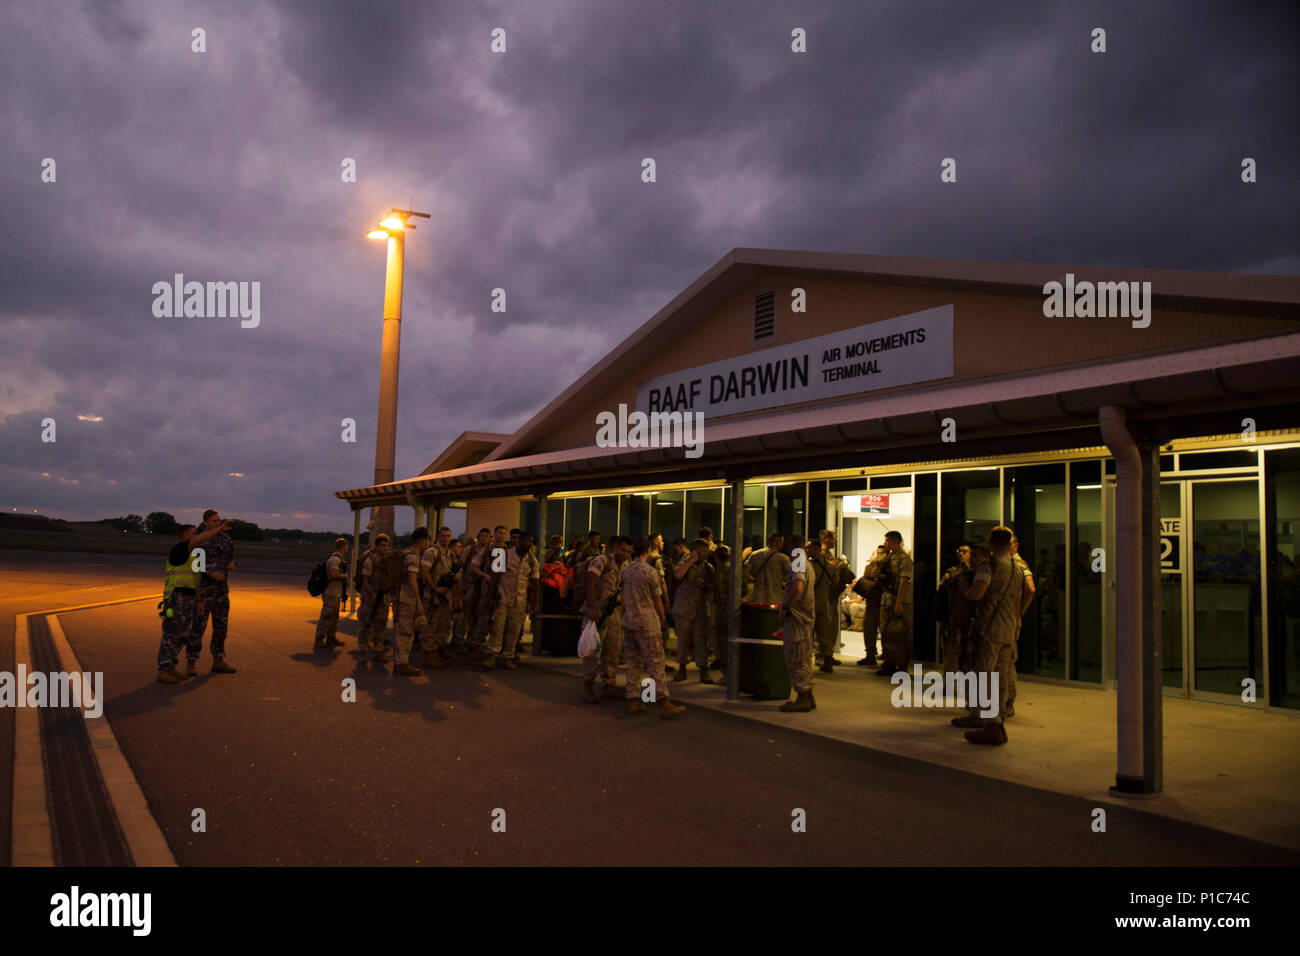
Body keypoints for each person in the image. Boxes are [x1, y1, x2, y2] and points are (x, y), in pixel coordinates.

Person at [953, 526, 1023, 745]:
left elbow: (977, 593)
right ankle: (998, 720)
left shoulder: (990, 565)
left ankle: (988, 723)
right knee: (1001, 675)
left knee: (984, 674)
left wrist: (965, 589)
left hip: (988, 628)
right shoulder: (1017, 567)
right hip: (1008, 627)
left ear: (992, 542)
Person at [156, 519, 232, 683]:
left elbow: (197, 579)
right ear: (185, 535)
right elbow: (199, 540)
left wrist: (199, 601)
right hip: (177, 598)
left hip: (189, 598)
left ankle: (170, 667)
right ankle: (164, 669)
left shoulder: (193, 555)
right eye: (194, 534)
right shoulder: (181, 548)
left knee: (183, 635)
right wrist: (218, 529)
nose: (197, 537)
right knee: (172, 634)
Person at [621, 537, 685, 718]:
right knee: (655, 662)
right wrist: (663, 617)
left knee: (633, 662)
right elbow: (657, 599)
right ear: (648, 550)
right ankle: (664, 702)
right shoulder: (649, 571)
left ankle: (632, 699)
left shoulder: (626, 571)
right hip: (647, 621)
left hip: (629, 620)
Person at [580, 535, 630, 702]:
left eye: (629, 551)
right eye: (623, 550)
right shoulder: (602, 560)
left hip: (614, 613)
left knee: (613, 650)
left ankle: (609, 685)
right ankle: (588, 687)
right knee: (592, 651)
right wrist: (593, 606)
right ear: (615, 547)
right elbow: (591, 582)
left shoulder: (625, 565)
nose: (625, 554)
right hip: (598, 612)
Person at [483, 531, 539, 670]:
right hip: (502, 598)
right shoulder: (503, 554)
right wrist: (490, 597)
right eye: (527, 541)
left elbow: (535, 582)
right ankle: (491, 656)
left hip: (520, 601)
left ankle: (508, 657)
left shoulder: (532, 560)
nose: (529, 544)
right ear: (519, 541)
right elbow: (494, 576)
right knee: (497, 628)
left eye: (531, 542)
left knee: (514, 630)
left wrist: (535, 603)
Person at [191, 508, 237, 674]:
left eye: (219, 520)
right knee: (197, 628)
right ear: (206, 523)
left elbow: (232, 558)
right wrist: (211, 574)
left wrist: (231, 566)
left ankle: (218, 659)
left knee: (221, 628)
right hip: (204, 592)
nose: (218, 523)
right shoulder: (199, 541)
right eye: (214, 521)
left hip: (222, 592)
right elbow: (194, 567)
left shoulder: (226, 540)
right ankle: (192, 662)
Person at [777, 533, 817, 712]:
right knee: (803, 657)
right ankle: (807, 696)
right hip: (805, 617)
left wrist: (786, 606)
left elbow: (798, 586)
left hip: (797, 618)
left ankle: (803, 697)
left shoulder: (798, 561)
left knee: (796, 658)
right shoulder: (807, 562)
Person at [671, 537, 716, 683]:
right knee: (683, 640)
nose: (706, 554)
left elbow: (713, 587)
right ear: (696, 551)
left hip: (700, 609)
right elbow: (677, 574)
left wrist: (705, 585)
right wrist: (691, 560)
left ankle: (703, 670)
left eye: (707, 551)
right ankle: (682, 669)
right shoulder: (685, 562)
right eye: (703, 551)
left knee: (701, 640)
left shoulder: (708, 567)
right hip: (684, 608)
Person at [392, 527, 431, 677]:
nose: (427, 543)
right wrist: (419, 602)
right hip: (407, 599)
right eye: (427, 539)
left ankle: (401, 661)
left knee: (404, 630)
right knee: (405, 632)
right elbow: (412, 579)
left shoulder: (406, 553)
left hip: (402, 598)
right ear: (421, 540)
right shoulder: (413, 557)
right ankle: (401, 663)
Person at [1007, 535, 1036, 719]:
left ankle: (1008, 701)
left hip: (1009, 619)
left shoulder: (1019, 564)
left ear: (1016, 545)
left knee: (1007, 662)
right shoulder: (1007, 563)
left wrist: (1020, 611)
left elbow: (1031, 589)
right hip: (1008, 618)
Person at [419, 526, 456, 669]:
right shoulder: (432, 552)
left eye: (448, 536)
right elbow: (425, 570)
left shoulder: (450, 554)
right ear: (438, 537)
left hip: (445, 596)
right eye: (443, 536)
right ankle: (429, 655)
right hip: (433, 595)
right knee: (430, 626)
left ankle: (438, 651)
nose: (446, 538)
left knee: (442, 624)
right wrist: (434, 588)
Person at [877, 531, 913, 676]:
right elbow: (875, 569)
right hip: (886, 600)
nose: (886, 543)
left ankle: (902, 665)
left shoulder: (904, 559)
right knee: (885, 632)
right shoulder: (887, 557)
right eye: (885, 541)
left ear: (896, 541)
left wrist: (899, 602)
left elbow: (903, 581)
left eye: (888, 541)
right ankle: (889, 663)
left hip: (900, 600)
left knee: (901, 634)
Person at [356, 534, 392, 662]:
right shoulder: (370, 561)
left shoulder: (388, 561)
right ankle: (362, 652)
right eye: (383, 545)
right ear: (376, 547)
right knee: (365, 626)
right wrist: (372, 594)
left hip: (383, 601)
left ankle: (378, 652)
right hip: (370, 601)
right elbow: (365, 582)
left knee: (381, 627)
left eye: (387, 545)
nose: (385, 548)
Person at [314, 537, 350, 649]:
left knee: (334, 617)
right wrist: (344, 576)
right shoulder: (335, 560)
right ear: (344, 547)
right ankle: (319, 638)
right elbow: (333, 574)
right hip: (331, 592)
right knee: (327, 615)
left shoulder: (338, 559)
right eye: (347, 546)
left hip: (335, 592)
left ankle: (331, 638)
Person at [856, 545, 887, 666]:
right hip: (872, 603)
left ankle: (887, 656)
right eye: (878, 553)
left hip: (884, 604)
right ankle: (870, 654)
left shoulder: (888, 567)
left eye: (882, 553)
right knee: (869, 629)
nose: (879, 555)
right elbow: (869, 575)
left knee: (885, 632)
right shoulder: (870, 567)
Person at [745, 531, 790, 604]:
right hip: (775, 597)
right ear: (778, 542)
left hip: (758, 596)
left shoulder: (755, 554)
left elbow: (745, 571)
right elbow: (792, 574)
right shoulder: (783, 558)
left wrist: (753, 580)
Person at [710, 544, 731, 671]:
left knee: (722, 639)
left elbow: (718, 590)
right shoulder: (734, 568)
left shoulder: (721, 570)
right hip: (731, 607)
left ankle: (725, 668)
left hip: (723, 609)